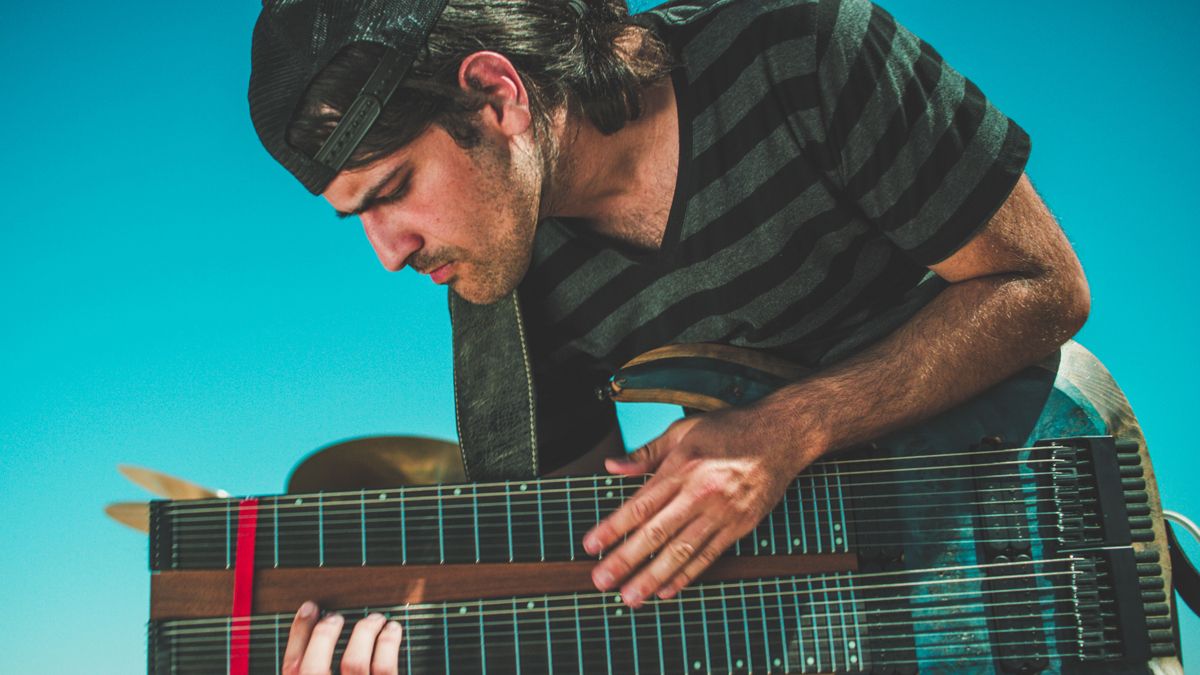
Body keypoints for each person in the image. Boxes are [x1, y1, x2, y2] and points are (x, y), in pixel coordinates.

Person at [248, 0, 1090, 670]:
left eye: (393, 188)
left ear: (497, 94)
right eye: (356, 217)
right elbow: (579, 592)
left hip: (1043, 538)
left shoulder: (800, 51)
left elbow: (1043, 284)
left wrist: (789, 427)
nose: (388, 252)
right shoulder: (499, 296)